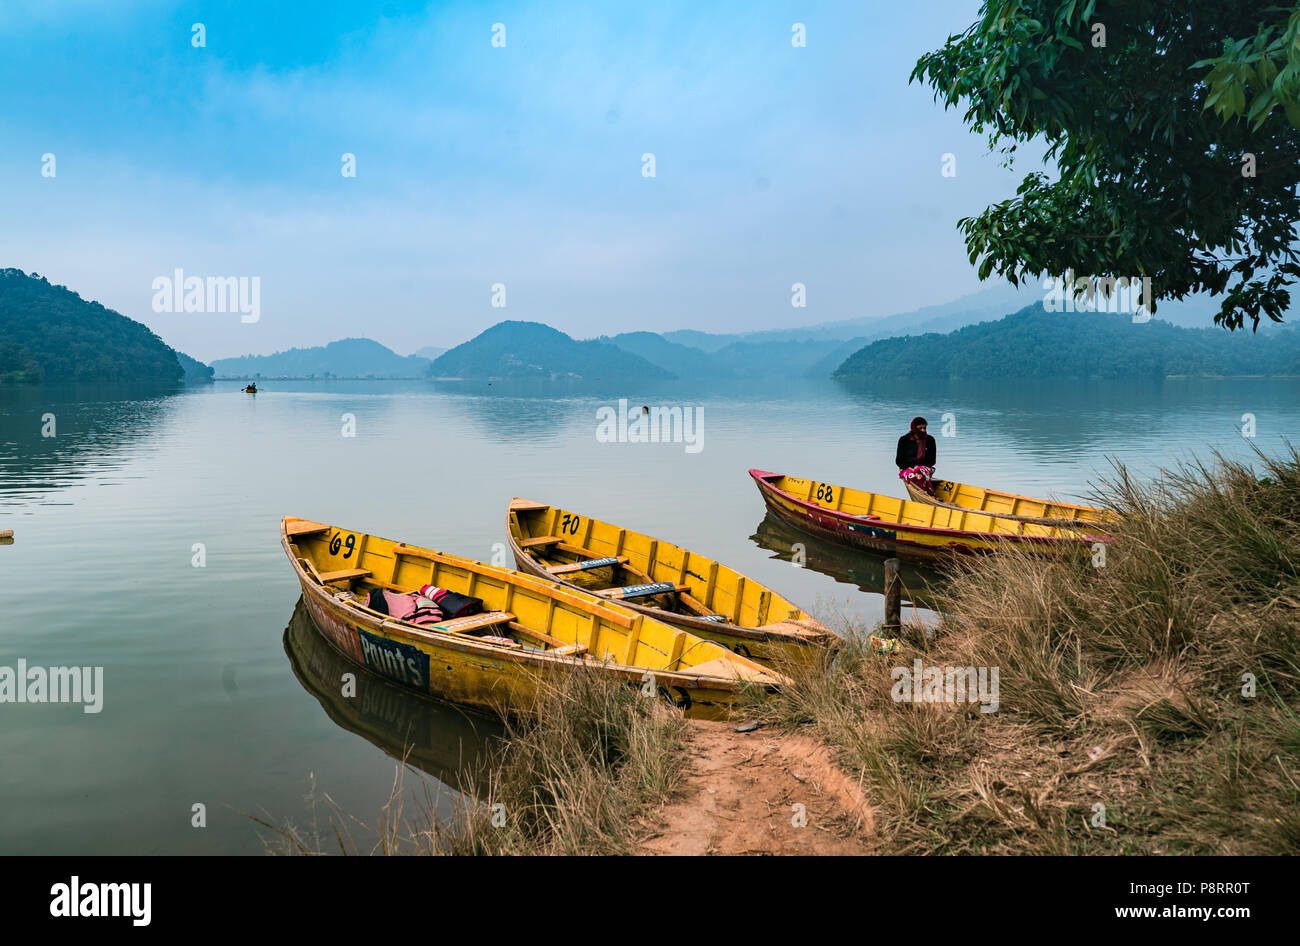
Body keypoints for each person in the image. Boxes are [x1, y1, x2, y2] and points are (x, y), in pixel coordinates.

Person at [896, 416, 936, 496]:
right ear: (914, 428)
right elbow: (899, 460)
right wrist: (910, 467)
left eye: (924, 428)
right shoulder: (904, 440)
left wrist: (918, 467)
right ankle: (926, 493)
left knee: (921, 473)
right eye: (920, 428)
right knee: (912, 476)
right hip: (906, 468)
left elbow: (932, 461)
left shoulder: (930, 440)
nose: (923, 430)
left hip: (924, 468)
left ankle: (929, 494)